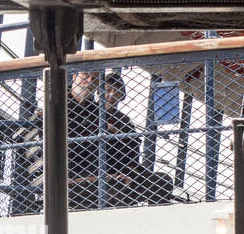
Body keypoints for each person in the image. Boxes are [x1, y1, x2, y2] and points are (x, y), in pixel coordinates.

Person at [68, 70, 173, 209]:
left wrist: (115, 134)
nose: (111, 95)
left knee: (162, 180)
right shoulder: (89, 111)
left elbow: (131, 153)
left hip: (115, 167)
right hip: (90, 170)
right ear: (98, 91)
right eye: (108, 90)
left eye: (116, 92)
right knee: (119, 183)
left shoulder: (122, 121)